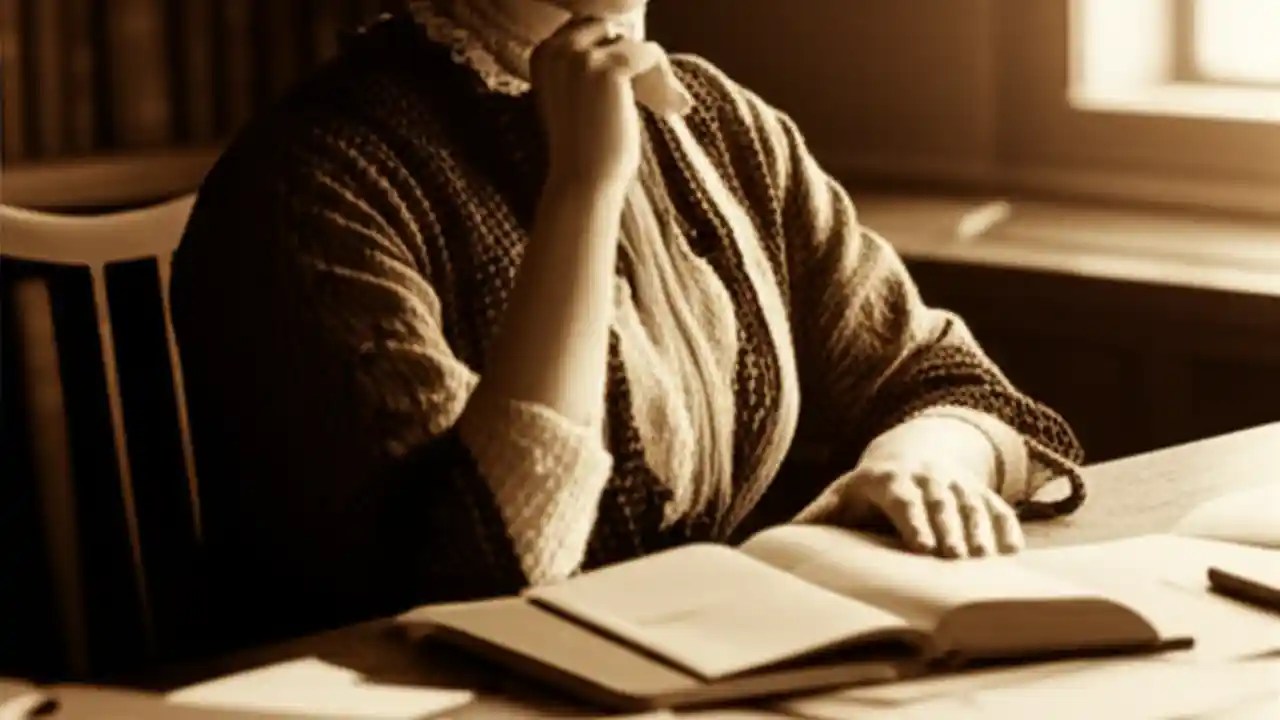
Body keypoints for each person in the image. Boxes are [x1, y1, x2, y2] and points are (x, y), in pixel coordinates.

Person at [170, 0, 1086, 649]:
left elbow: (957, 387)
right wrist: (585, 188)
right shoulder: (319, 178)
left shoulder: (725, 126)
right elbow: (477, 578)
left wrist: (922, 463)